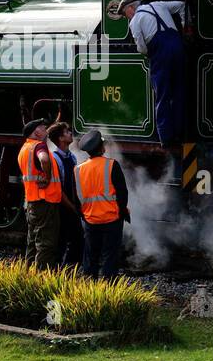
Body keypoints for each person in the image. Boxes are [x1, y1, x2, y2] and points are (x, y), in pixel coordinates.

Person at [120, 0, 186, 145]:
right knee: (178, 91)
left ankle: (166, 137)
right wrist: (184, 26)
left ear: (130, 8)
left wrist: (149, 53)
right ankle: (180, 132)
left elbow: (142, 48)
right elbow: (182, 4)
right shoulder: (159, 3)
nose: (127, 17)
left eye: (125, 14)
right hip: (177, 46)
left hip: (160, 52)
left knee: (162, 94)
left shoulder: (135, 21)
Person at [74, 129, 130, 279]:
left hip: (91, 219)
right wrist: (122, 210)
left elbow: (76, 198)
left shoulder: (78, 169)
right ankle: (108, 287)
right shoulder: (112, 165)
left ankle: (90, 286)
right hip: (111, 219)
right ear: (101, 148)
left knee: (91, 257)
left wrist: (84, 215)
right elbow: (122, 193)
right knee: (110, 257)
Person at [17, 118, 62, 266]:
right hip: (45, 201)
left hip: (32, 201)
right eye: (43, 128)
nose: (46, 131)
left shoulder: (24, 149)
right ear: (36, 132)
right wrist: (47, 177)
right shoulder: (38, 146)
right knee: (46, 244)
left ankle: (28, 276)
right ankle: (41, 278)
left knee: (32, 242)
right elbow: (44, 159)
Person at [46, 122, 83, 269]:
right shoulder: (56, 160)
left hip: (71, 204)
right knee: (63, 241)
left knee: (77, 241)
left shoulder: (72, 157)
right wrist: (73, 207)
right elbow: (58, 190)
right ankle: (61, 272)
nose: (70, 133)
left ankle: (68, 271)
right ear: (61, 138)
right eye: (67, 132)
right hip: (61, 207)